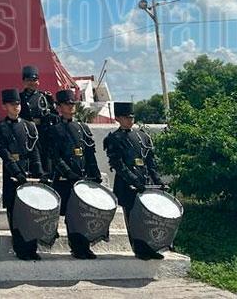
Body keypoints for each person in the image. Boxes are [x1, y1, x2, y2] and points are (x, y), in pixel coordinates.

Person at [104, 102, 168, 261]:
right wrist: (133, 180)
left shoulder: (143, 136)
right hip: (127, 185)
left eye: (132, 117)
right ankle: (139, 249)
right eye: (126, 117)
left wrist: (158, 181)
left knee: (149, 218)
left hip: (145, 183)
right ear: (118, 118)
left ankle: (150, 247)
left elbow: (151, 162)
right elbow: (117, 164)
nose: (130, 120)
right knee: (133, 219)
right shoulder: (114, 139)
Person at [47, 89, 102, 260]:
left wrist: (95, 172)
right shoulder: (55, 130)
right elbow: (55, 156)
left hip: (83, 177)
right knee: (72, 215)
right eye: (67, 104)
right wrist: (69, 173)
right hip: (66, 179)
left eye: (73, 104)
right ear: (59, 107)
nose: (71, 107)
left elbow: (89, 153)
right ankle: (76, 247)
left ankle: (85, 246)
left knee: (84, 214)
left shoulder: (82, 128)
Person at [0, 89, 45, 261]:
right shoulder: (0, 127)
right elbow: (3, 152)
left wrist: (38, 170)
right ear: (5, 106)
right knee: (15, 212)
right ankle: (20, 247)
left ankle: (32, 247)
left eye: (18, 104)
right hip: (12, 173)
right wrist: (16, 171)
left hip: (28, 172)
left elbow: (35, 149)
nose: (16, 107)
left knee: (31, 211)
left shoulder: (29, 126)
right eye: (12, 105)